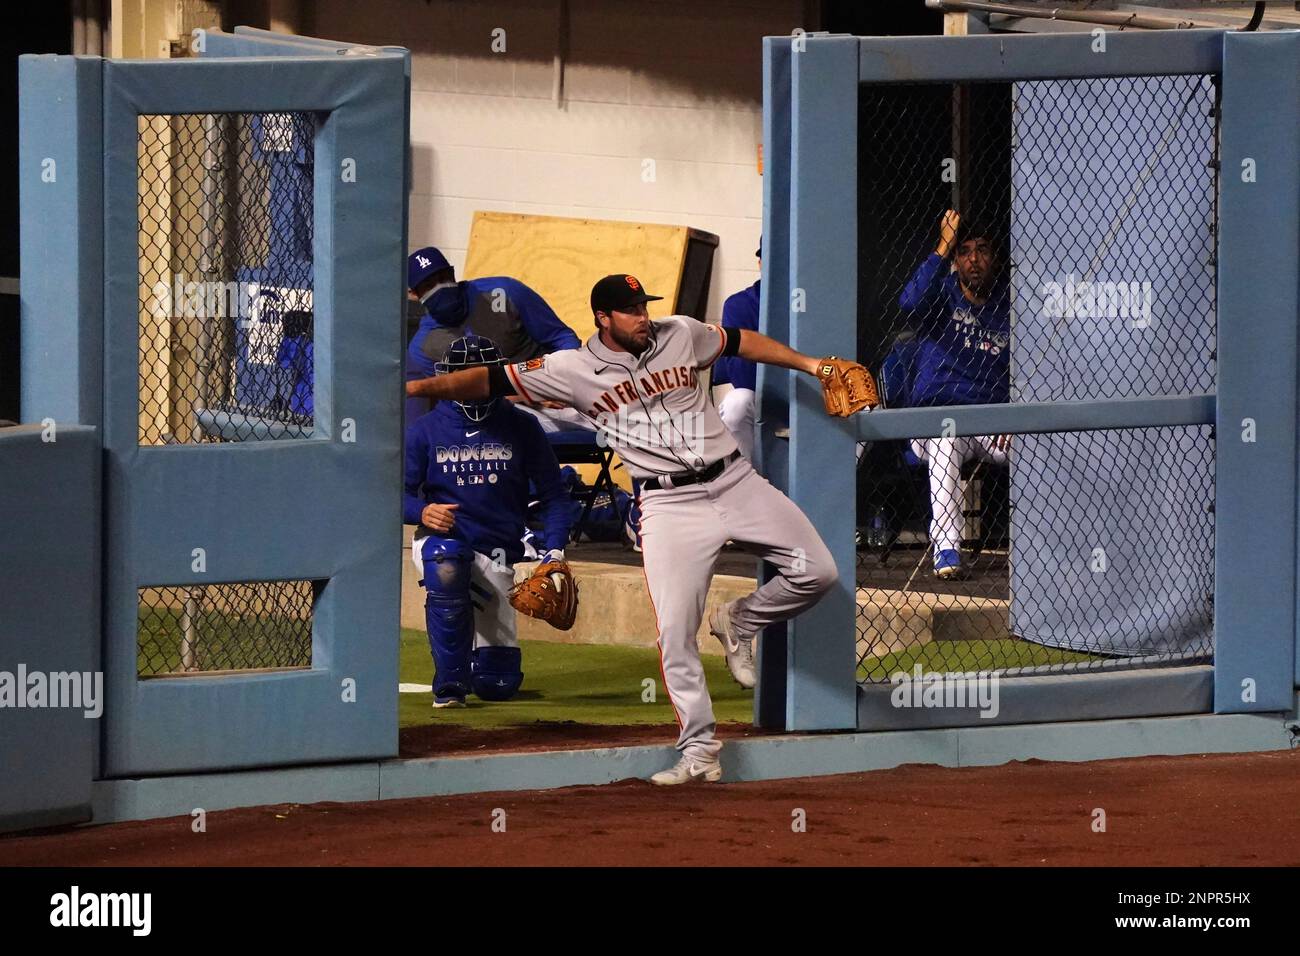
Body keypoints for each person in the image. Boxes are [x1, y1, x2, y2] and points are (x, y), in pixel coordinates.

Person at [407, 273, 852, 785]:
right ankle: (700, 751)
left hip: (734, 479)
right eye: (632, 310)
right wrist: (416, 387)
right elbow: (488, 379)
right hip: (668, 505)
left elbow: (739, 339)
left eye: (644, 306)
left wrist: (812, 365)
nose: (644, 317)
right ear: (603, 317)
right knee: (674, 634)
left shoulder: (680, 332)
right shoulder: (570, 368)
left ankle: (741, 621)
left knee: (817, 571)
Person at [403, 334, 573, 708]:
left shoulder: (523, 426)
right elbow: (391, 495)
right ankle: (450, 686)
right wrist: (421, 512)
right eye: (460, 375)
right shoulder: (424, 431)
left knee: (498, 684)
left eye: (478, 374)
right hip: (443, 541)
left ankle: (484, 667)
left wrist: (555, 550)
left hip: (498, 550)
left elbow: (554, 494)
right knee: (447, 564)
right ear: (446, 378)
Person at [897, 209, 1011, 580]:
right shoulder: (940, 297)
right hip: (935, 420)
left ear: (995, 257)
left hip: (990, 421)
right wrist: (943, 244)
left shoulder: (1008, 305)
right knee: (946, 439)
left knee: (1038, 443)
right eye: (964, 252)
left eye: (982, 250)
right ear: (955, 260)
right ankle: (947, 548)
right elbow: (908, 304)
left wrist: (1013, 417)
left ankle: (1044, 546)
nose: (974, 260)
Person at [406, 247, 588, 434]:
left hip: (554, 389)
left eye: (443, 278)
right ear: (413, 294)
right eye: (428, 285)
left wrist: (561, 381)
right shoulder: (423, 348)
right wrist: (526, 395)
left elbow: (562, 338)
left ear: (453, 273)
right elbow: (459, 402)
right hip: (502, 411)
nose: (439, 287)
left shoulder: (505, 292)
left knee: (613, 417)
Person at [712, 245, 761, 461]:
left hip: (809, 395)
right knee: (737, 402)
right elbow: (743, 379)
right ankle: (745, 484)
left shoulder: (813, 304)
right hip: (761, 396)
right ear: (760, 263)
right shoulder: (740, 304)